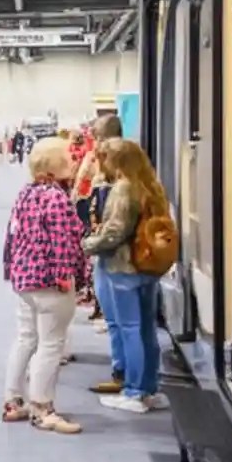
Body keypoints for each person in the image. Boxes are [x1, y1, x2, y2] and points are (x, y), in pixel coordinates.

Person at [1, 137, 86, 434]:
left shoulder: (26, 193)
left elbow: (11, 236)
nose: (74, 161)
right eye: (69, 157)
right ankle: (42, 408)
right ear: (56, 164)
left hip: (24, 280)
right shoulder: (57, 199)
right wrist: (69, 276)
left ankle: (13, 401)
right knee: (51, 344)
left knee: (25, 337)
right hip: (50, 282)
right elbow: (64, 243)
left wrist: (10, 269)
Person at [82, 138, 169, 413]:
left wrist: (86, 245)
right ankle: (149, 388)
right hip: (148, 268)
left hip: (123, 268)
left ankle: (133, 391)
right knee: (146, 330)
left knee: (129, 329)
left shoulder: (123, 189)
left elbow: (115, 232)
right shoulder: (151, 187)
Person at [75, 116, 125, 391]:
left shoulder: (106, 160)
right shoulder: (123, 160)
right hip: (111, 244)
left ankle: (125, 377)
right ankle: (131, 378)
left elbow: (111, 223)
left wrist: (87, 244)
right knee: (125, 323)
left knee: (122, 322)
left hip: (111, 249)